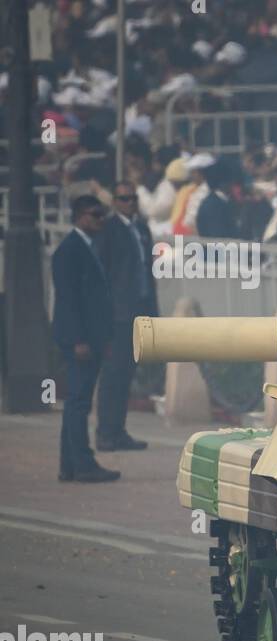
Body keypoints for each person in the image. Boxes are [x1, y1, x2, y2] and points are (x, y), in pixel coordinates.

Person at [51, 196, 119, 483]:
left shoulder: (90, 247)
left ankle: (70, 464)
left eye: (102, 215)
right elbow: (68, 299)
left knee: (76, 401)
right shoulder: (69, 250)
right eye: (95, 215)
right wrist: (79, 339)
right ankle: (82, 464)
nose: (101, 220)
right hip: (79, 339)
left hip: (91, 337)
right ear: (79, 216)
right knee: (78, 402)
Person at [94, 182, 158, 452]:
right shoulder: (107, 230)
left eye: (133, 198)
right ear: (114, 202)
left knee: (127, 374)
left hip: (140, 309)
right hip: (118, 314)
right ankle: (106, 432)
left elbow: (148, 270)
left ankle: (118, 430)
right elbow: (102, 275)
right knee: (113, 374)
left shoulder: (142, 229)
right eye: (123, 198)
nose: (129, 203)